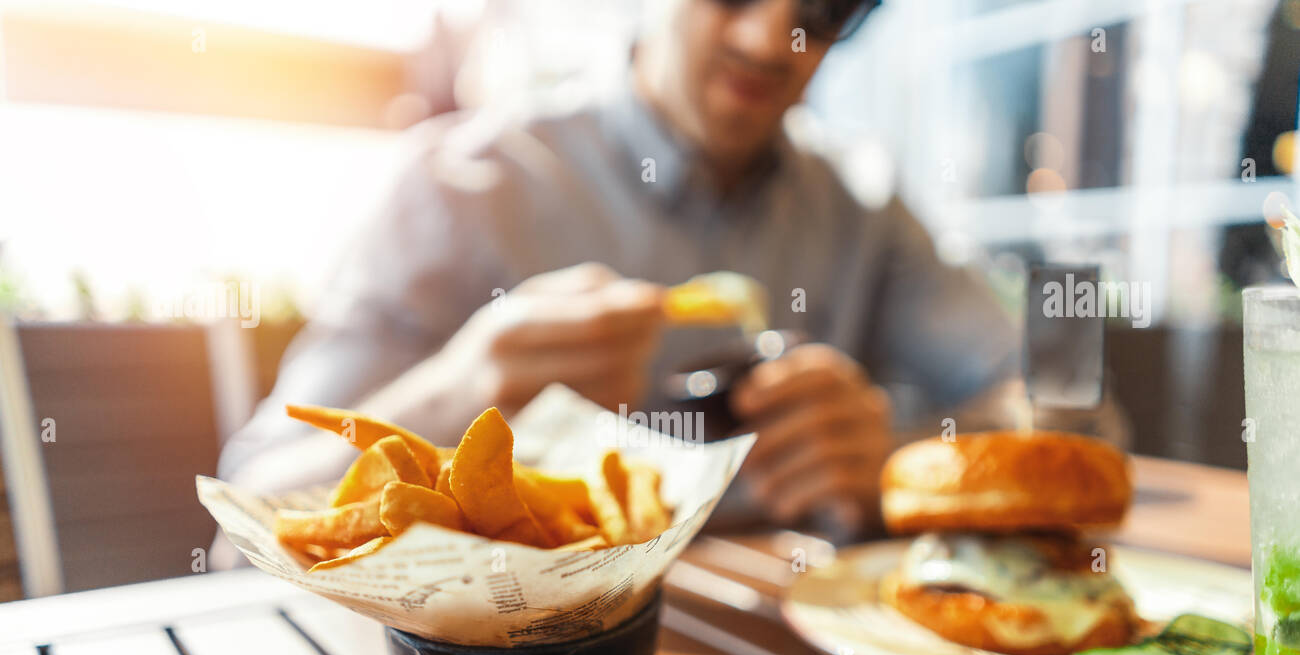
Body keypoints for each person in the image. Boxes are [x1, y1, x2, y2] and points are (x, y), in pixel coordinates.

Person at [220, 0, 1070, 539]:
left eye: (826, 9)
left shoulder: (863, 216)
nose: (775, 37)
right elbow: (247, 517)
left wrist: (894, 455)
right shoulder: (462, 187)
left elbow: (1064, 406)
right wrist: (461, 390)